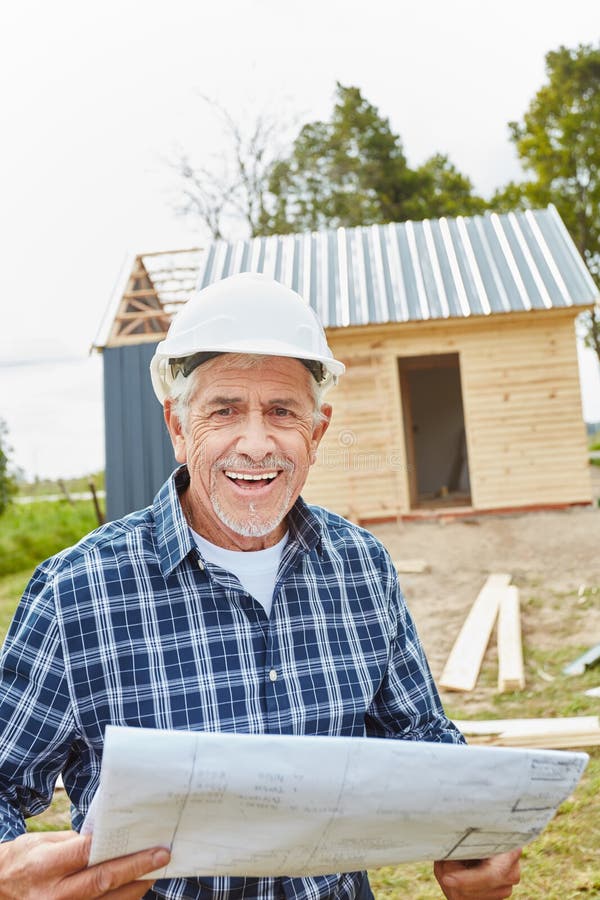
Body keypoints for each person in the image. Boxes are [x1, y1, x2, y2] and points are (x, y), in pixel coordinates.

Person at [0, 273, 521, 899]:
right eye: (224, 411)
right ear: (177, 425)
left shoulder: (361, 567)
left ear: (317, 433)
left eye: (281, 412)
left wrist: (474, 828)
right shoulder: (76, 593)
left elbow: (419, 734)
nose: (256, 443)